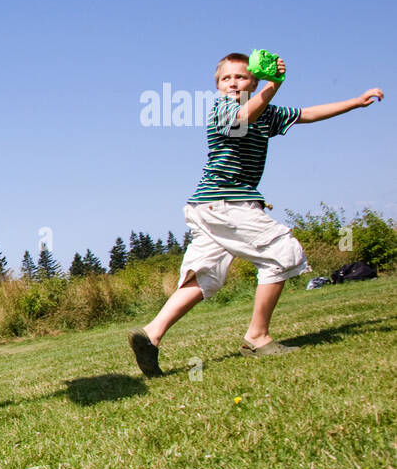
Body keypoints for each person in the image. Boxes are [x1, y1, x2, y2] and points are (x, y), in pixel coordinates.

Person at [129, 53, 383, 376]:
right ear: (218, 86)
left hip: (210, 208)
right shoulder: (223, 110)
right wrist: (273, 86)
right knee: (283, 251)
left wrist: (355, 102)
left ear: (254, 80)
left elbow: (307, 114)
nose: (233, 82)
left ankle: (151, 336)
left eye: (242, 77)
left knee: (205, 275)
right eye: (226, 78)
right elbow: (241, 119)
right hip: (224, 203)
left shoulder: (267, 113)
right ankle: (257, 336)